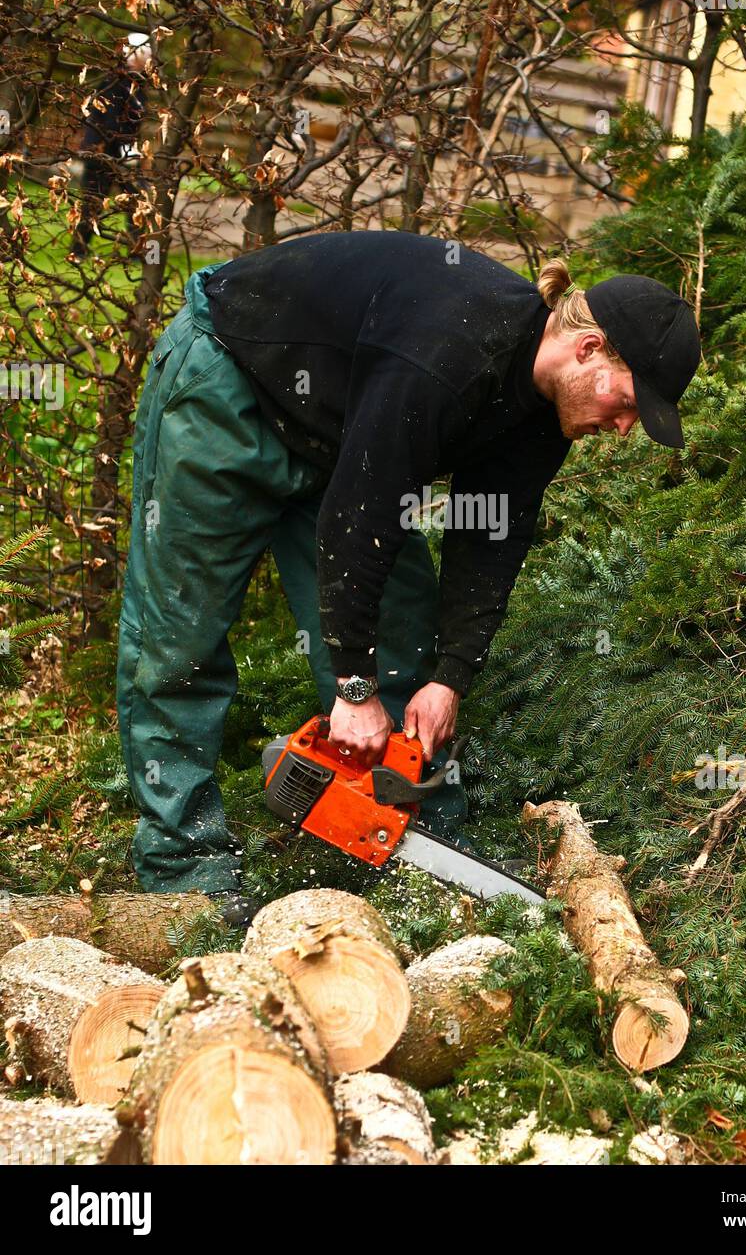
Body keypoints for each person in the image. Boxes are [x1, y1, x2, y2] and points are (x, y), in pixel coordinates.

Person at [116, 230, 701, 924]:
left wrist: (450, 673)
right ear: (588, 349)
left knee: (402, 626)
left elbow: (490, 538)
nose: (626, 425)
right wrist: (353, 688)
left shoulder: (547, 412)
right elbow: (362, 520)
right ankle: (187, 873)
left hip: (341, 437)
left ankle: (423, 844)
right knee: (179, 638)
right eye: (630, 401)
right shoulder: (448, 353)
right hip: (230, 382)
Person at [69, 33, 150, 261]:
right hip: (101, 151)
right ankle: (78, 250)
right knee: (93, 202)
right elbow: (110, 119)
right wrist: (125, 147)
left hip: (121, 151)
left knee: (136, 200)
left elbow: (134, 121)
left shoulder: (138, 83)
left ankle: (137, 251)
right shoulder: (115, 82)